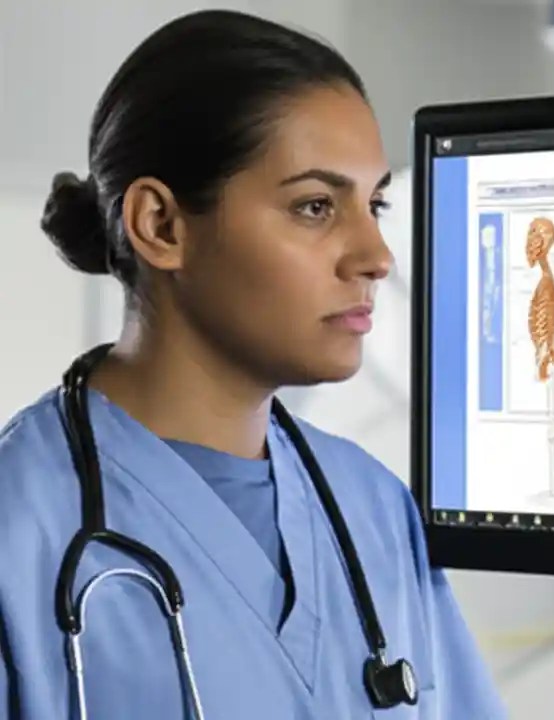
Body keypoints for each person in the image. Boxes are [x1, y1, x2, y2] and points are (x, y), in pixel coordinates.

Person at [0, 10, 503, 719]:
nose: (376, 257)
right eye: (316, 206)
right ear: (161, 226)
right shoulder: (19, 528)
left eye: (376, 204)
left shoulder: (372, 508)